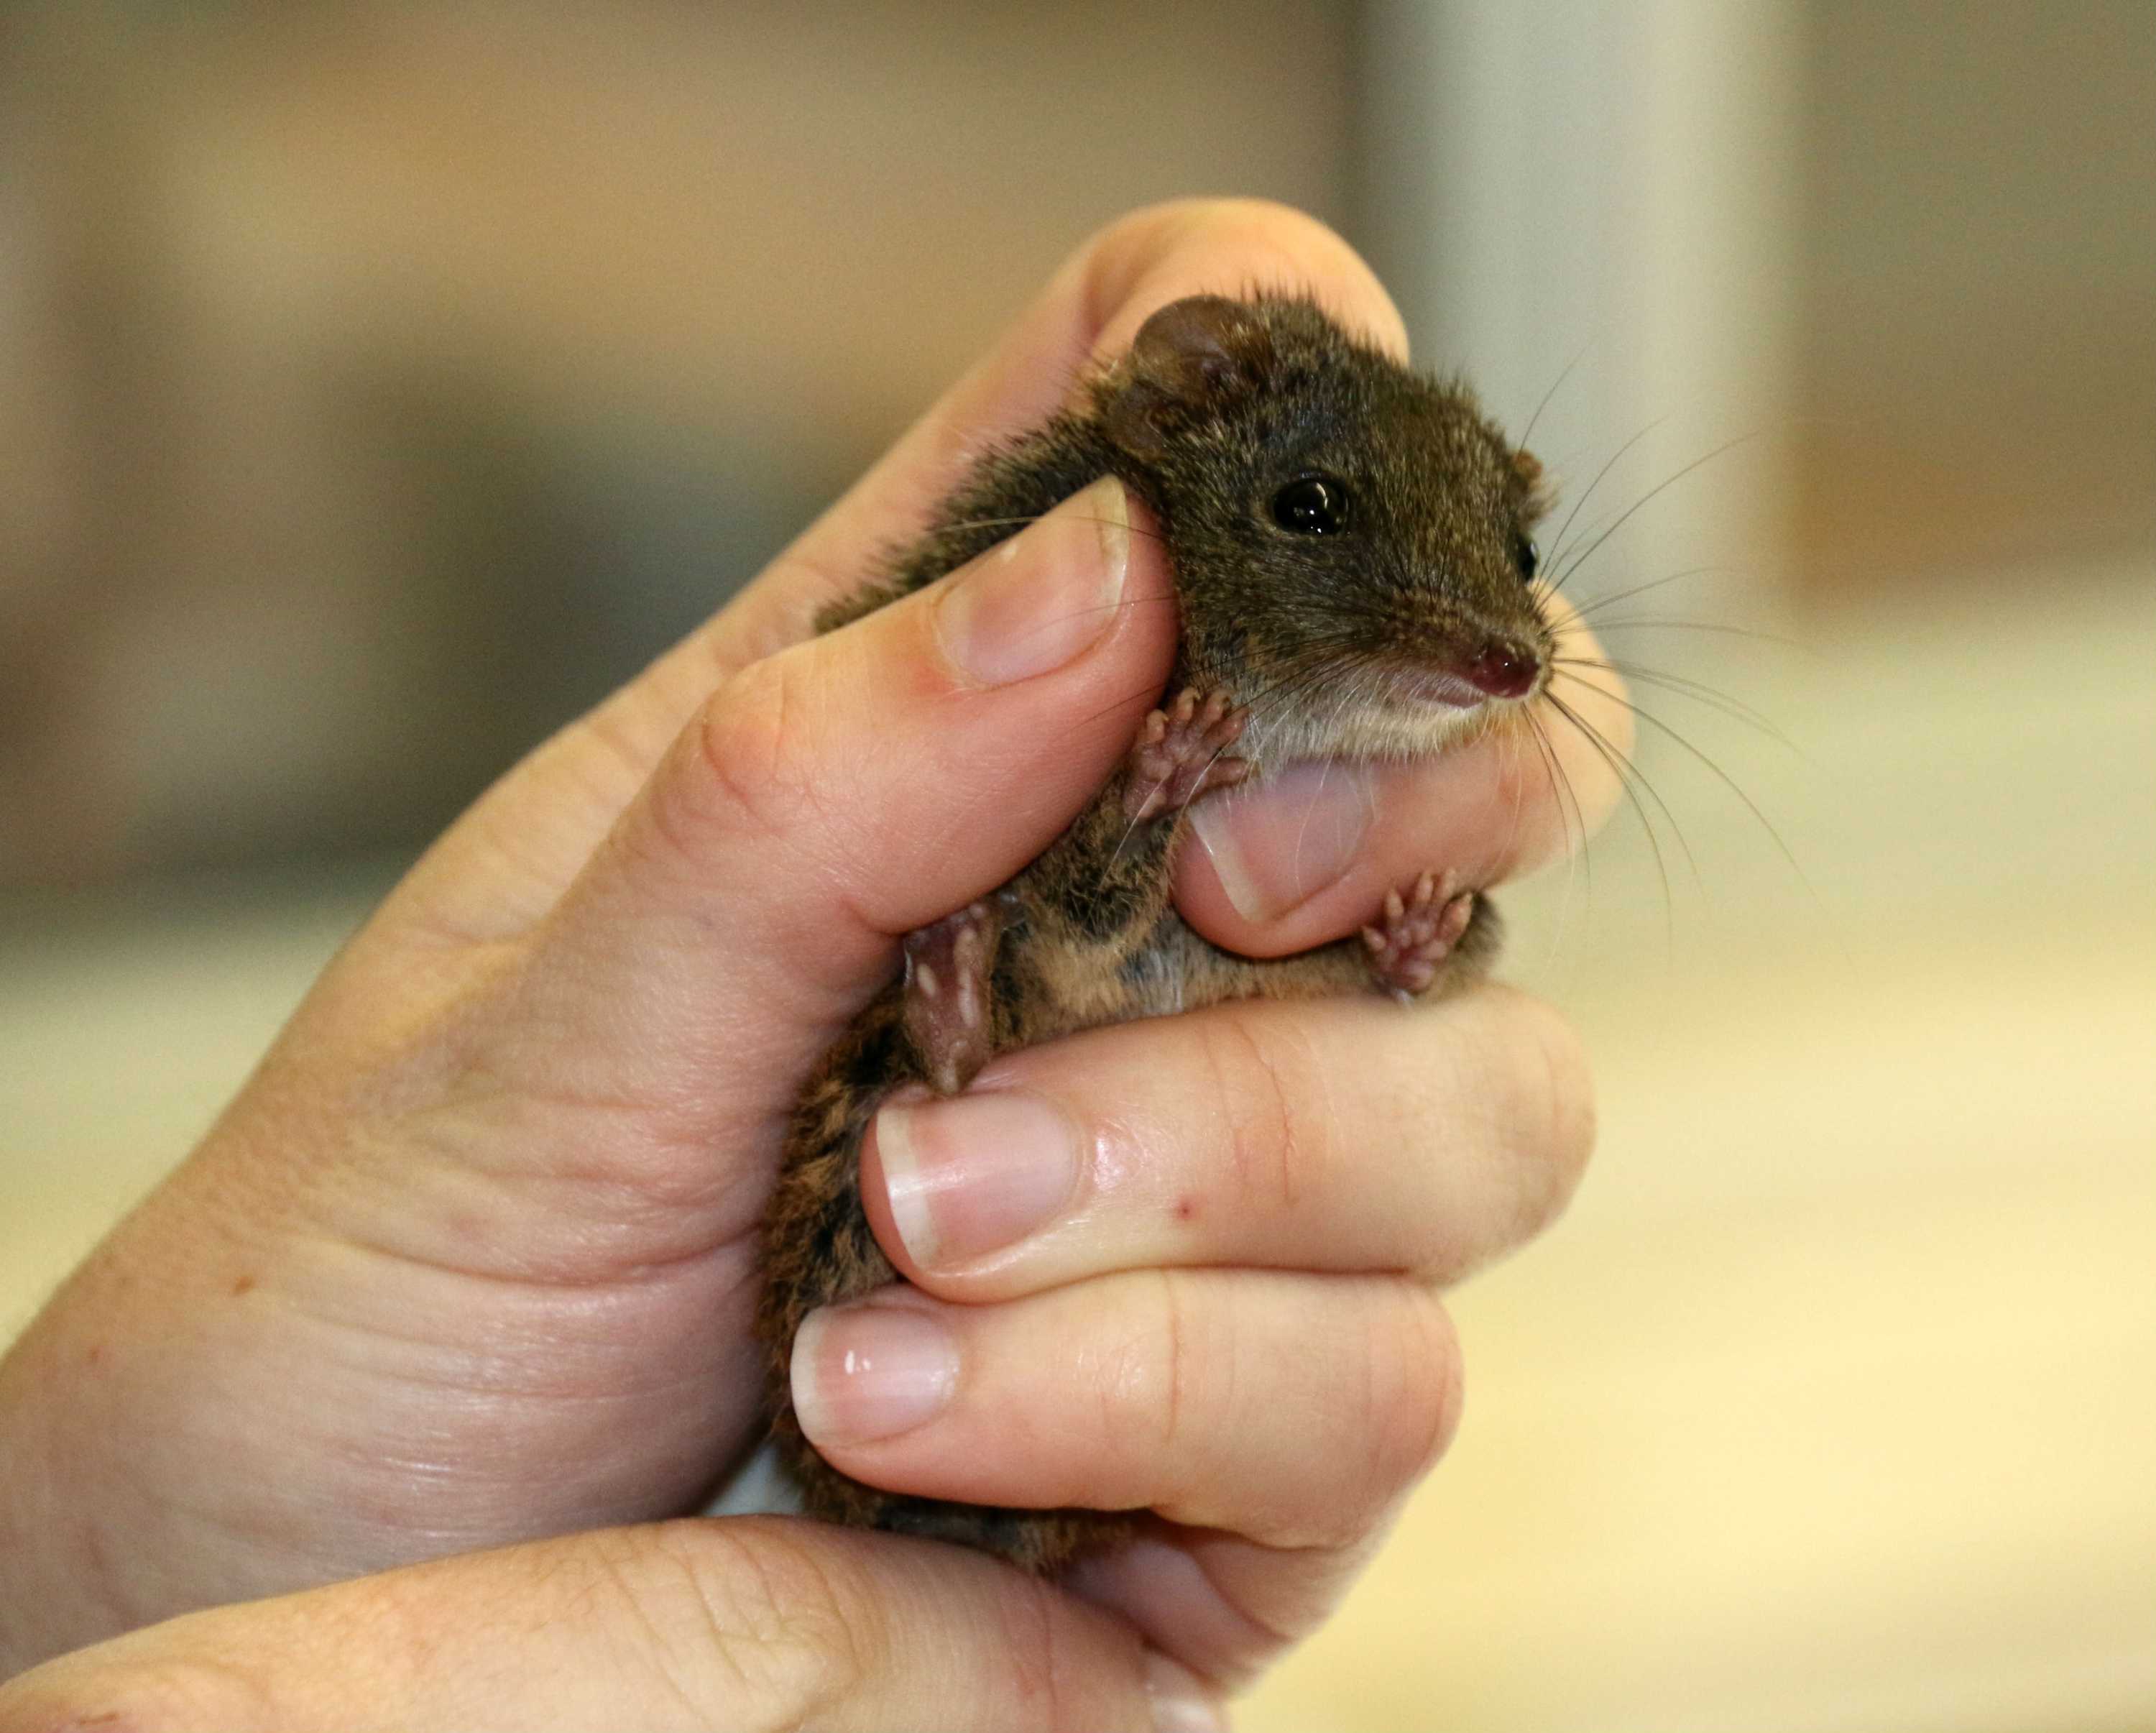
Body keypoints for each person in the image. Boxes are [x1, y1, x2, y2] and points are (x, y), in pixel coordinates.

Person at [0, 201, 1613, 1731]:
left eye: (1508, 556)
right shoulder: (1067, 662)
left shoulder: (1292, 787)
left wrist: (1420, 937)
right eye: (1315, 521)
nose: (1489, 642)